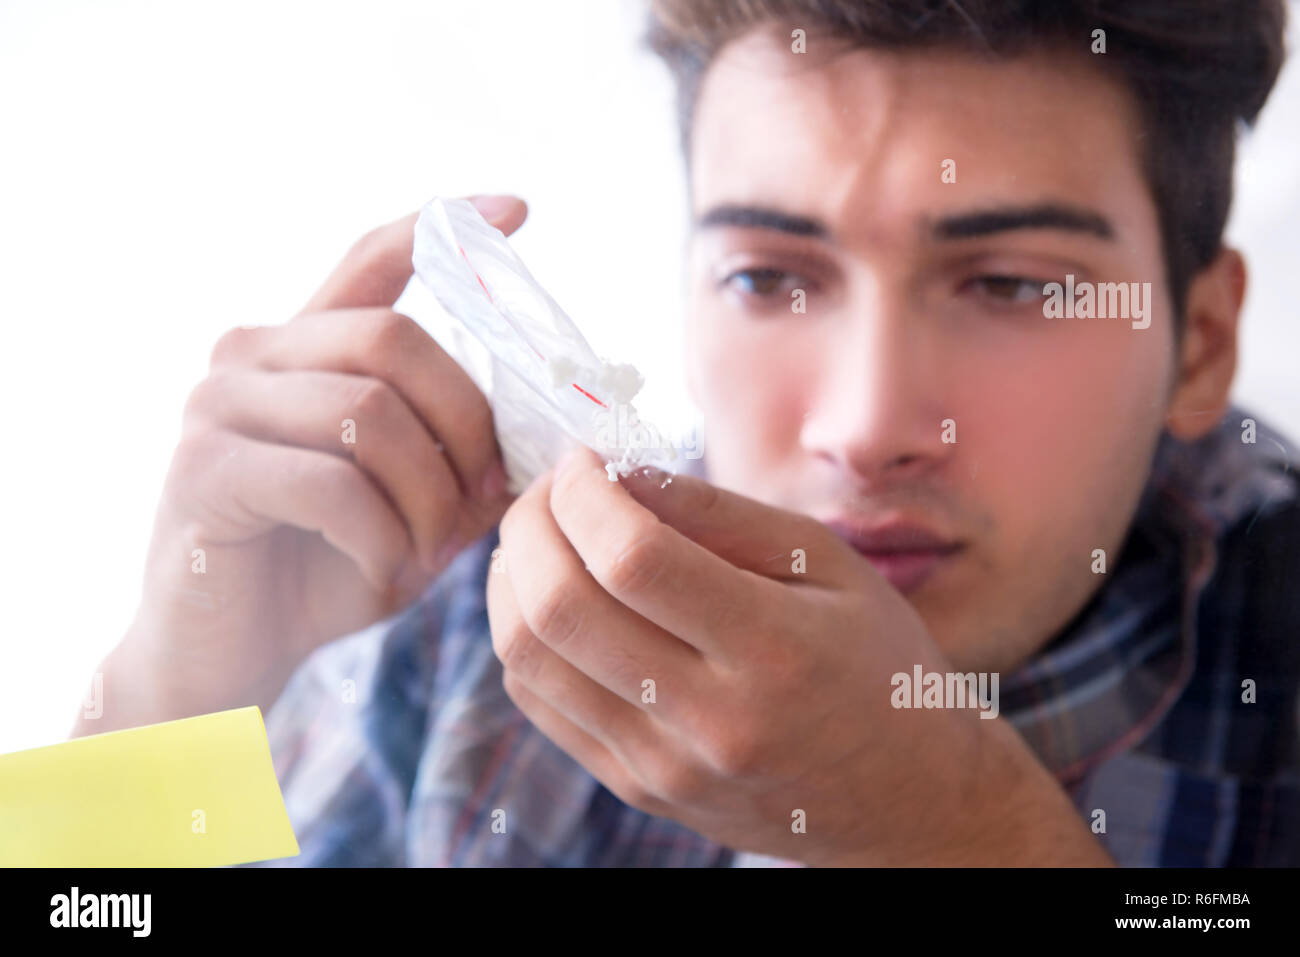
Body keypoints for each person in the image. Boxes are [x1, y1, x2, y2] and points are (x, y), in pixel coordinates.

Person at [72, 0, 1297, 866]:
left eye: (1013, 286)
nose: (865, 430)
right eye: (770, 279)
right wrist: (176, 697)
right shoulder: (498, 623)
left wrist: (948, 832)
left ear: (1195, 339)